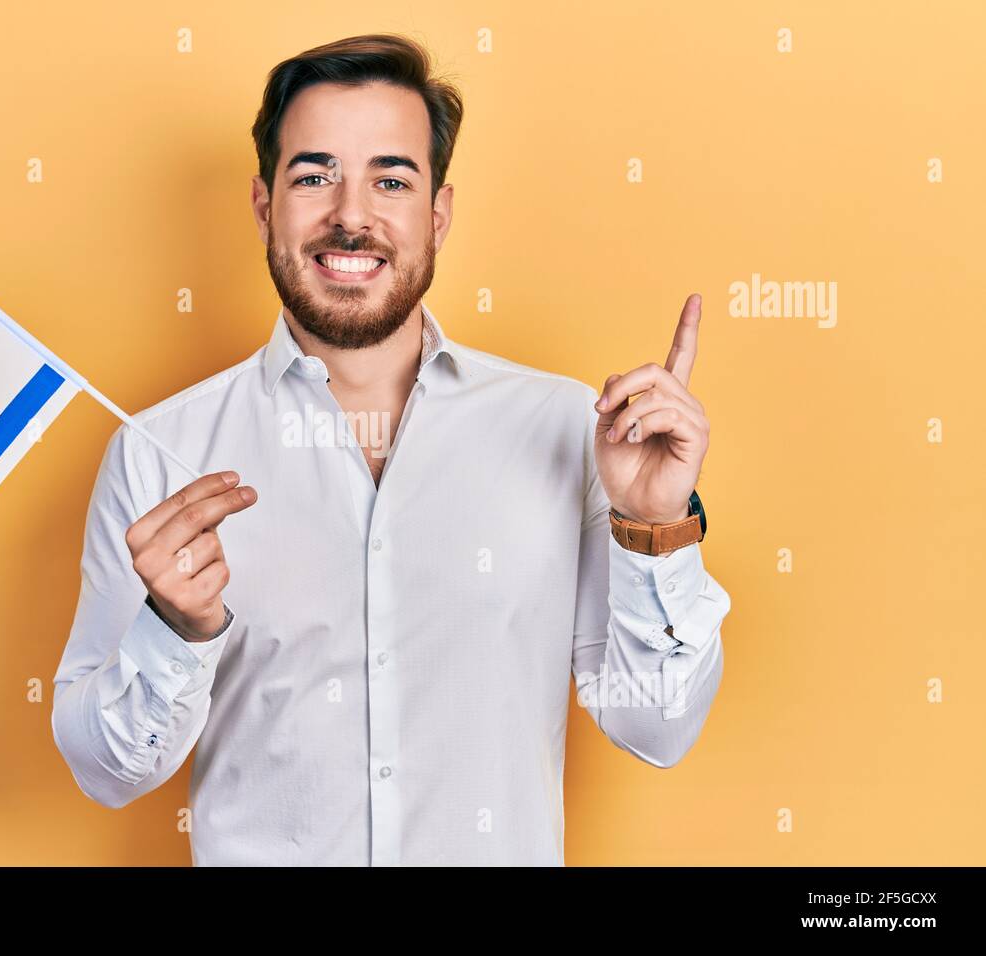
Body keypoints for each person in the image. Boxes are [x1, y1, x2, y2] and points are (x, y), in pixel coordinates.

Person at [51, 33, 731, 866]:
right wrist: (175, 628)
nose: (350, 214)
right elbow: (104, 773)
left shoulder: (566, 430)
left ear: (436, 213)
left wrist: (654, 527)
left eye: (390, 178)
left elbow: (656, 726)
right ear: (264, 205)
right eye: (313, 176)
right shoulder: (161, 450)